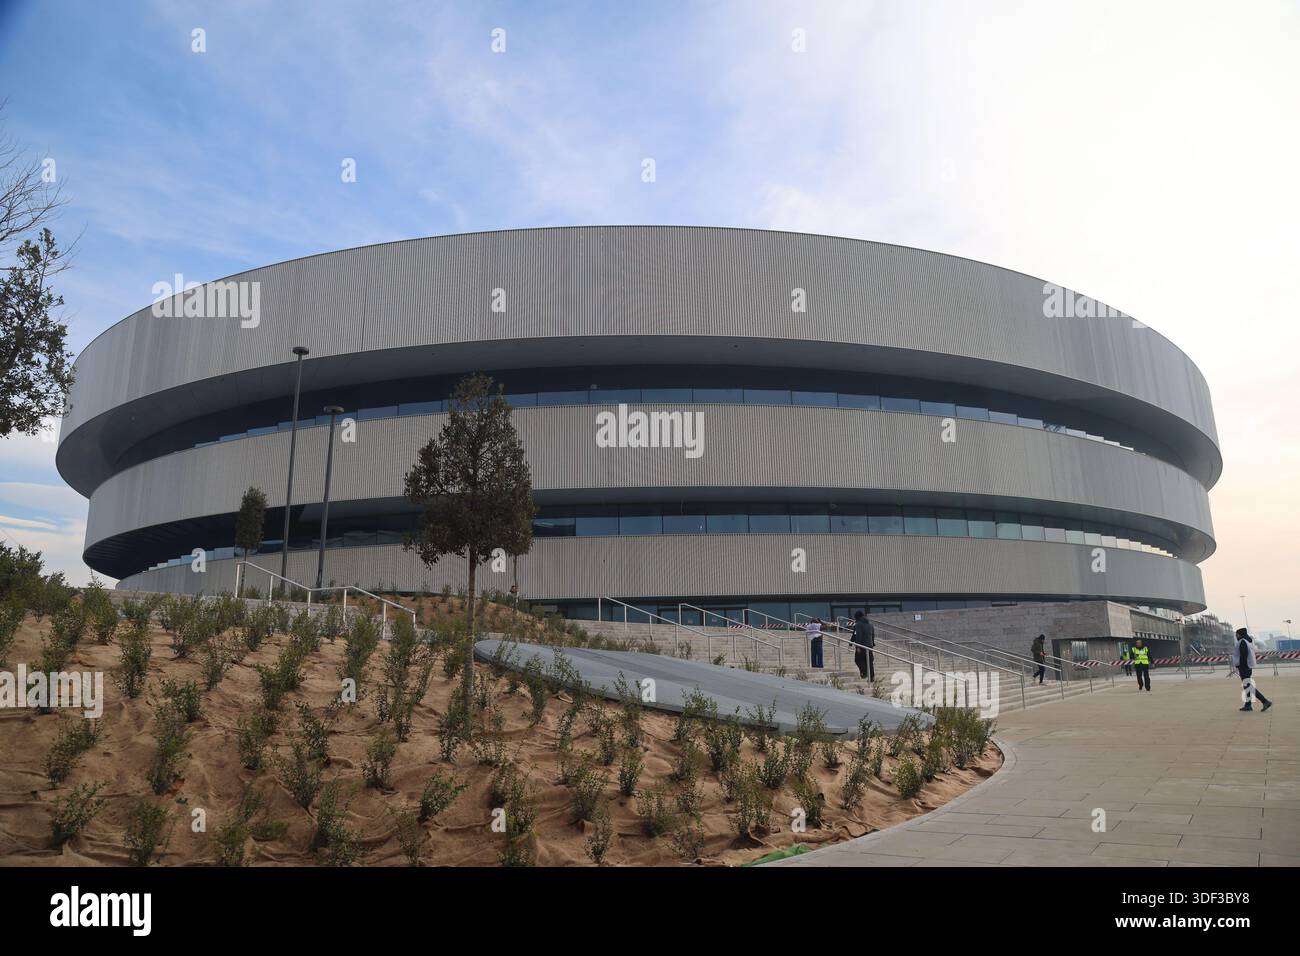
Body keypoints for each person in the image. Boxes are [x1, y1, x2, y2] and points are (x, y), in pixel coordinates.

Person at [1233, 627, 1273, 712]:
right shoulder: (1248, 640)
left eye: (1236, 634)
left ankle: (1265, 701)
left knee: (1248, 686)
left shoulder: (1242, 641)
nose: (1236, 636)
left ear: (1240, 634)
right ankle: (1248, 705)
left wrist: (1240, 665)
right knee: (1246, 685)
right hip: (1247, 666)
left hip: (1244, 666)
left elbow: (1244, 655)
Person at [851, 610, 875, 680]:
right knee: (869, 661)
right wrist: (872, 643)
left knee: (858, 660)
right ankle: (872, 677)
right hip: (869, 645)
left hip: (862, 645)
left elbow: (859, 635)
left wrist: (858, 646)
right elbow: (873, 635)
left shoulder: (858, 624)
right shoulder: (870, 624)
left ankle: (865, 672)